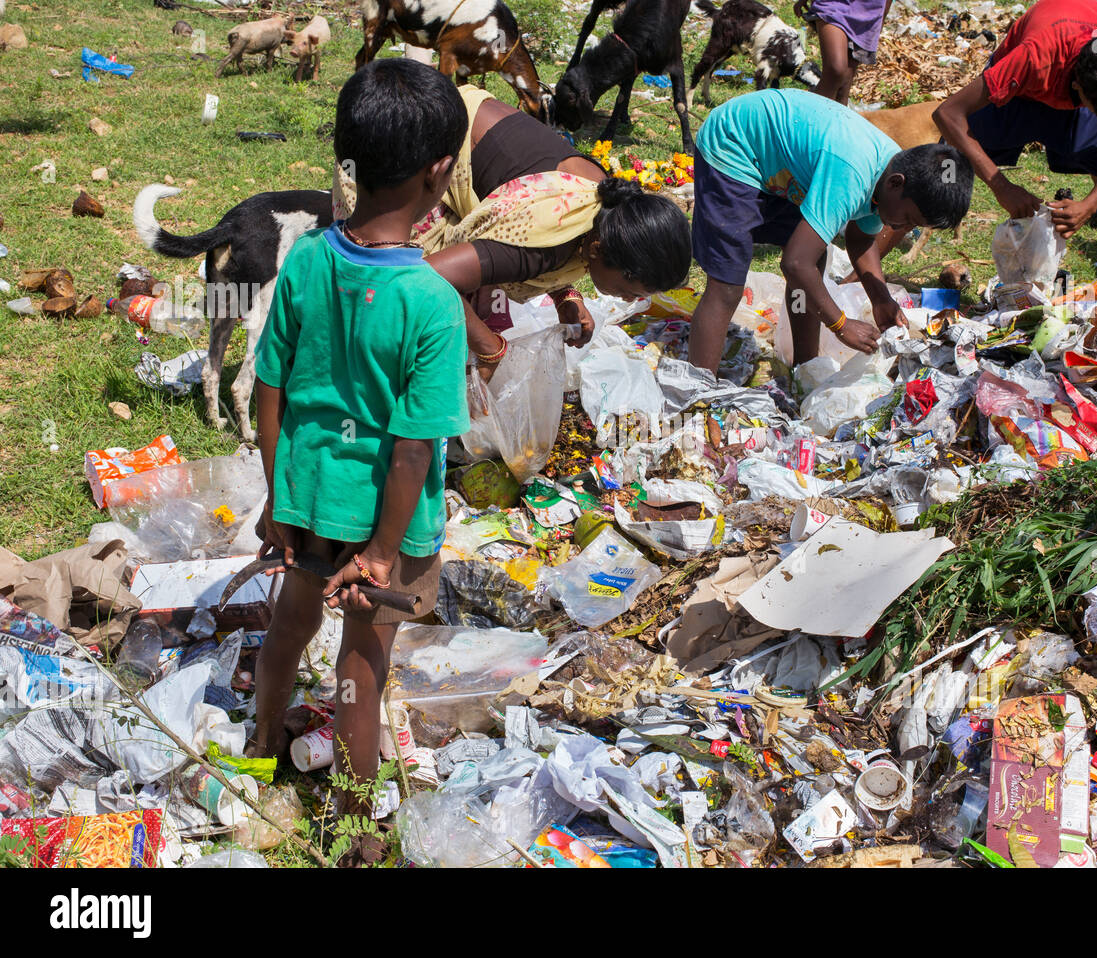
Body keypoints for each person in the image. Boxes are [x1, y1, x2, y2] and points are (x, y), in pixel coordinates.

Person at [250, 58, 470, 864]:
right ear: (439, 171)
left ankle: (264, 741)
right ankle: (347, 826)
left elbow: (268, 386)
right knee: (361, 666)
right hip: (385, 523)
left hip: (307, 496)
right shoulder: (432, 305)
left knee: (290, 621)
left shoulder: (308, 257)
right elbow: (413, 448)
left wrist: (278, 492)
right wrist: (382, 551)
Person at [334, 87, 692, 386]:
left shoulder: (605, 200)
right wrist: (489, 348)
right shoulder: (547, 247)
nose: (625, 298)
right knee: (396, 299)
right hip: (396, 147)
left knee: (476, 286)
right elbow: (423, 277)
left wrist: (564, 293)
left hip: (439, 111)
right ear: (597, 248)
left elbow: (526, 233)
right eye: (630, 290)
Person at [687, 87, 973, 373]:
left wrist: (880, 298)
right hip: (734, 145)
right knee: (727, 286)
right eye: (909, 218)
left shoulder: (890, 177)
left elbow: (860, 239)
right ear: (895, 184)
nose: (903, 228)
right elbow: (795, 263)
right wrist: (840, 324)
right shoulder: (853, 173)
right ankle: (697, 390)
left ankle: (805, 367)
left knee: (815, 258)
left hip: (778, 160)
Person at [932, 0, 1097, 275]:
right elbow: (948, 114)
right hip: (1021, 94)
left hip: (1080, 87)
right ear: (1077, 87)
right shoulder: (1033, 56)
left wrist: (1090, 204)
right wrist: (1001, 186)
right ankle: (867, 271)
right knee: (940, 171)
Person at [796, 0, 894, 104]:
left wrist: (879, 20)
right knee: (836, 70)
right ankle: (811, 118)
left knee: (843, 88)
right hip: (834, 5)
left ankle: (831, 118)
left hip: (869, 10)